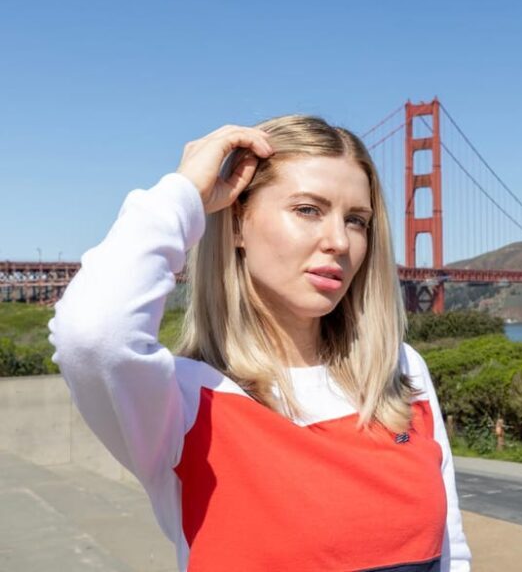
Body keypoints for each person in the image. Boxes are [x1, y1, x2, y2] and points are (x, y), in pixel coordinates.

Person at [48, 116, 472, 572]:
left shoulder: (401, 371)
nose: (338, 241)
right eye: (308, 209)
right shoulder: (186, 401)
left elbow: (452, 554)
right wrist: (184, 192)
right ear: (235, 226)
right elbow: (92, 335)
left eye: (356, 220)